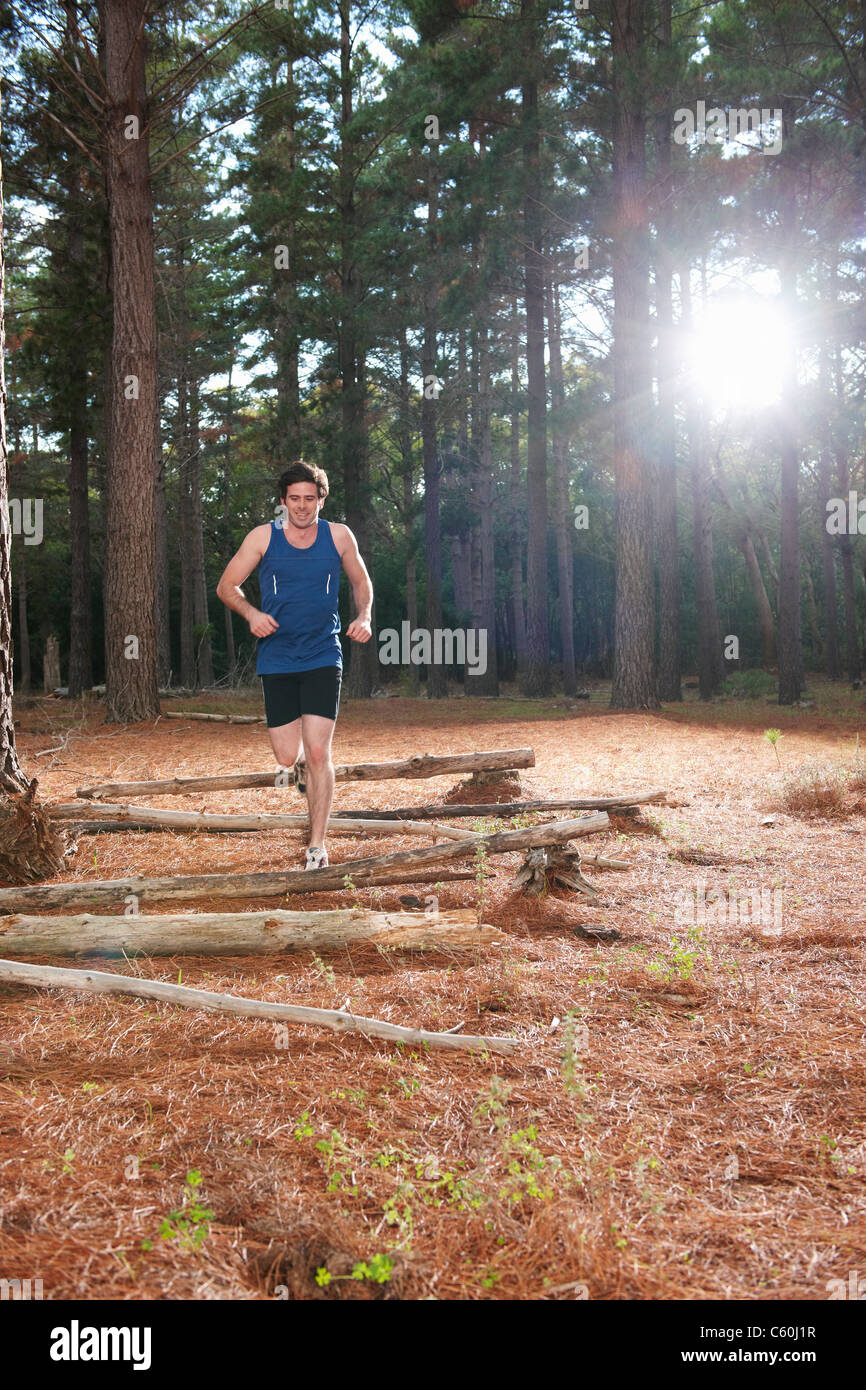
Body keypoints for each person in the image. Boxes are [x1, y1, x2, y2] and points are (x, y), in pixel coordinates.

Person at [216, 461, 373, 869]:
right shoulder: (262, 538)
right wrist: (251, 614)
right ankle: (301, 765)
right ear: (283, 500)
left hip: (323, 653)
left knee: (319, 751)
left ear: (321, 499)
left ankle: (317, 846)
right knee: (288, 757)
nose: (302, 507)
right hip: (278, 655)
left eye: (310, 499)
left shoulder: (338, 536)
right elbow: (226, 586)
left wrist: (364, 616)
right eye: (294, 499)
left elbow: (360, 581)